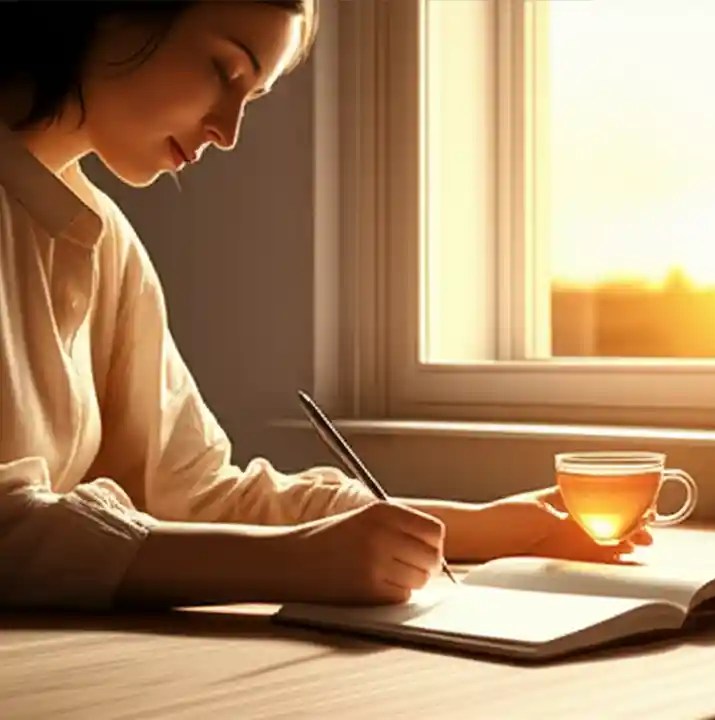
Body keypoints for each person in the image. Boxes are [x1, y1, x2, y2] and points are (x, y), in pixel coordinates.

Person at [0, 0, 649, 611]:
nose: (227, 131)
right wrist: (288, 564)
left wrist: (477, 529)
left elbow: (198, 496)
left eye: (250, 97)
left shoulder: (100, 242)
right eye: (223, 69)